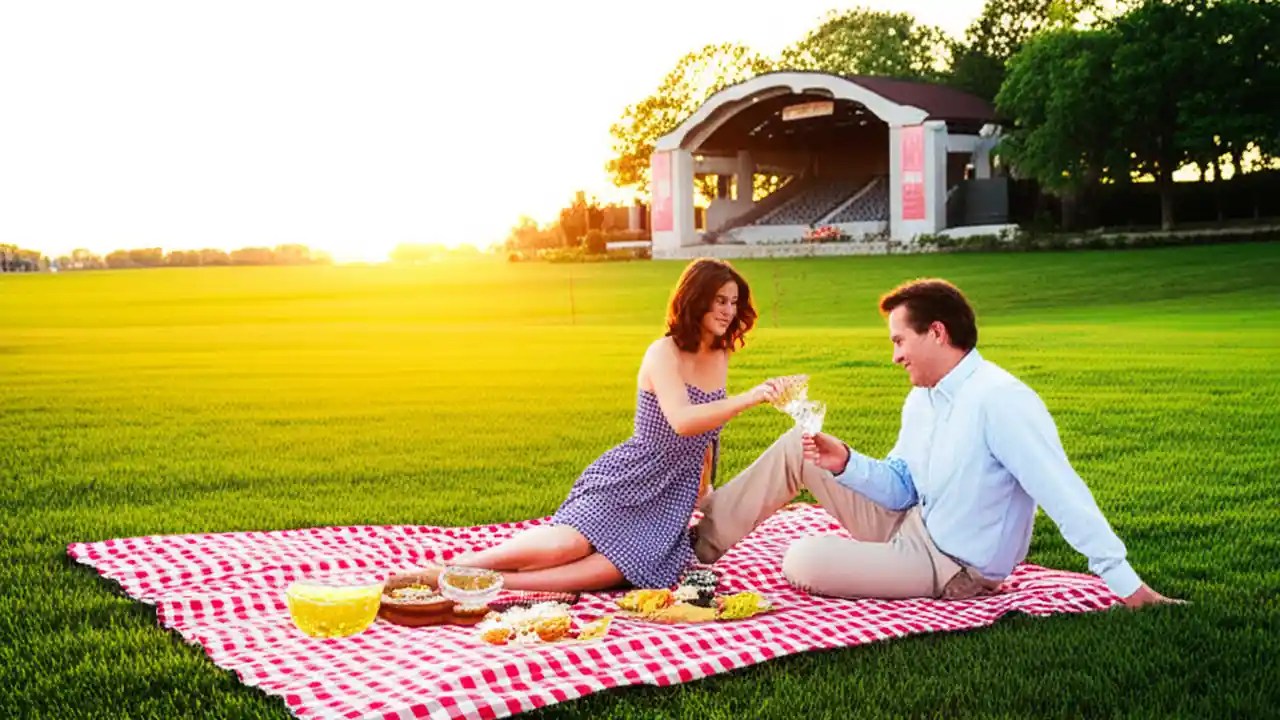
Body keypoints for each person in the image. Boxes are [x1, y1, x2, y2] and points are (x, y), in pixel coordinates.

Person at [691, 278, 1180, 608]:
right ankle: (691, 547)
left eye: (899, 341)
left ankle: (836, 556)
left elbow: (1062, 492)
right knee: (800, 446)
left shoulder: (1001, 400)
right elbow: (903, 486)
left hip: (949, 565)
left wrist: (1125, 584)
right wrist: (845, 463)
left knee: (801, 558)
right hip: (912, 523)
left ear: (938, 333)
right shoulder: (923, 399)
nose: (894, 357)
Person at [398, 258, 783, 592]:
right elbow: (683, 421)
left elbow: (706, 438)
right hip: (629, 478)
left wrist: (704, 492)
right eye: (720, 301)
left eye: (734, 302)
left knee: (611, 572)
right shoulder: (663, 352)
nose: (729, 311)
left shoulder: (720, 354)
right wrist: (750, 398)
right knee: (562, 549)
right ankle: (451, 569)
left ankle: (488, 582)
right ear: (695, 298)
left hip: (669, 499)